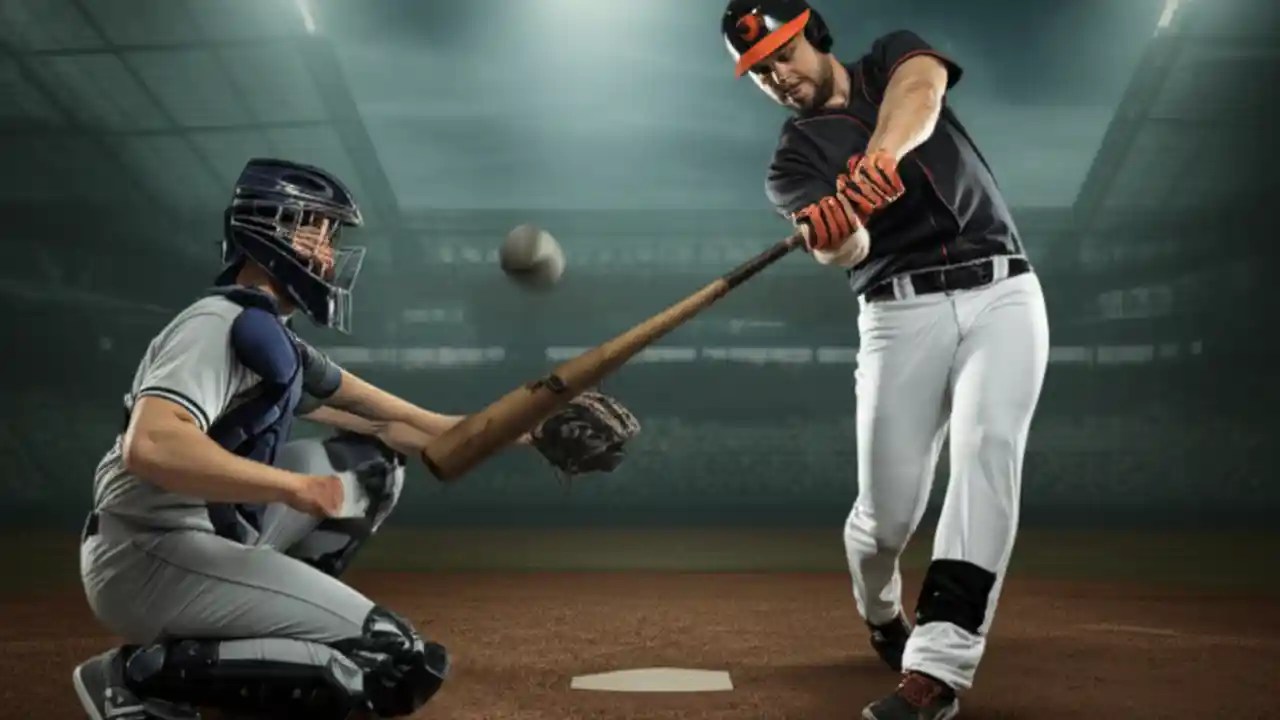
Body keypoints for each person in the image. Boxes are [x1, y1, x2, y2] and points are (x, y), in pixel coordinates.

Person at [70, 157, 640, 720]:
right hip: (150, 552)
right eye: (316, 232)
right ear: (268, 232)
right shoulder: (216, 325)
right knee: (393, 663)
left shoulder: (279, 342)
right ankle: (133, 679)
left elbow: (404, 424)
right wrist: (290, 486)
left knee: (373, 464)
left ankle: (263, 641)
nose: (329, 253)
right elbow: (151, 445)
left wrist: (532, 430)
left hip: (208, 534)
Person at [721, 2, 1050, 718]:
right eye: (759, 69)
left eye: (783, 51)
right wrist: (840, 228)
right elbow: (846, 253)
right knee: (885, 521)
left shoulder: (890, 59)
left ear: (814, 33)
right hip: (900, 314)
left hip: (1003, 292)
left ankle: (936, 669)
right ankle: (880, 611)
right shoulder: (792, 162)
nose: (776, 74)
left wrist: (880, 159)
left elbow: (921, 96)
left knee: (987, 448)